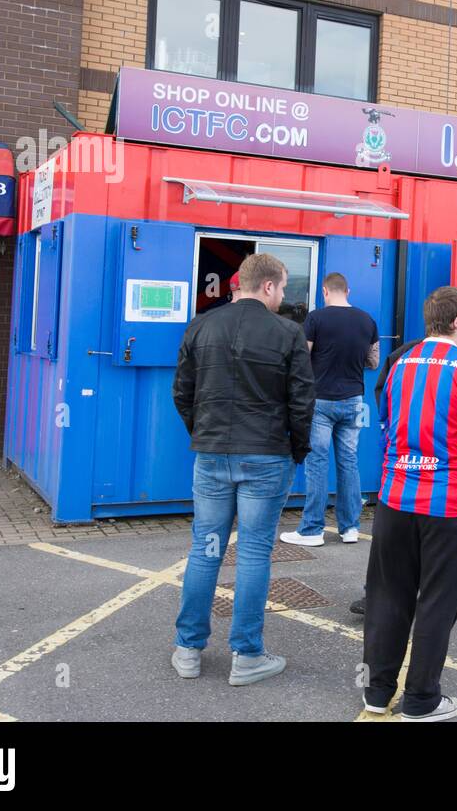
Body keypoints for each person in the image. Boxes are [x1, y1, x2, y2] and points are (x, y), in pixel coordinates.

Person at [170, 253, 315, 686]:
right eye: (284, 287)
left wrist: (204, 433)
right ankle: (247, 656)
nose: (284, 296)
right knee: (253, 552)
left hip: (212, 454)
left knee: (206, 549)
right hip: (267, 456)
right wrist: (297, 451)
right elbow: (302, 403)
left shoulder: (201, 325)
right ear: (268, 286)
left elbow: (182, 392)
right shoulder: (289, 333)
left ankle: (187, 649)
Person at [361, 286, 457, 721]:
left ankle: (377, 691)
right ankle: (421, 699)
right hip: (450, 507)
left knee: (387, 597)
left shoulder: (399, 361)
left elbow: (385, 418)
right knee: (436, 603)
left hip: (395, 500)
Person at [344, 334, 457, 617]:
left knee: (403, 546)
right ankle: (396, 598)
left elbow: (384, 406)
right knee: (421, 557)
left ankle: (390, 600)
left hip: (413, 482)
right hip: (441, 487)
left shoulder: (409, 357)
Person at [281, 273, 379, 547]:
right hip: (353, 400)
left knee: (317, 463)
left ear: (325, 291)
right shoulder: (367, 320)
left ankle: (312, 529)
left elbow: (302, 357)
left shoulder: (316, 319)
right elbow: (373, 361)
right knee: (348, 462)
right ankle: (350, 528)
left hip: (320, 401)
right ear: (348, 290)